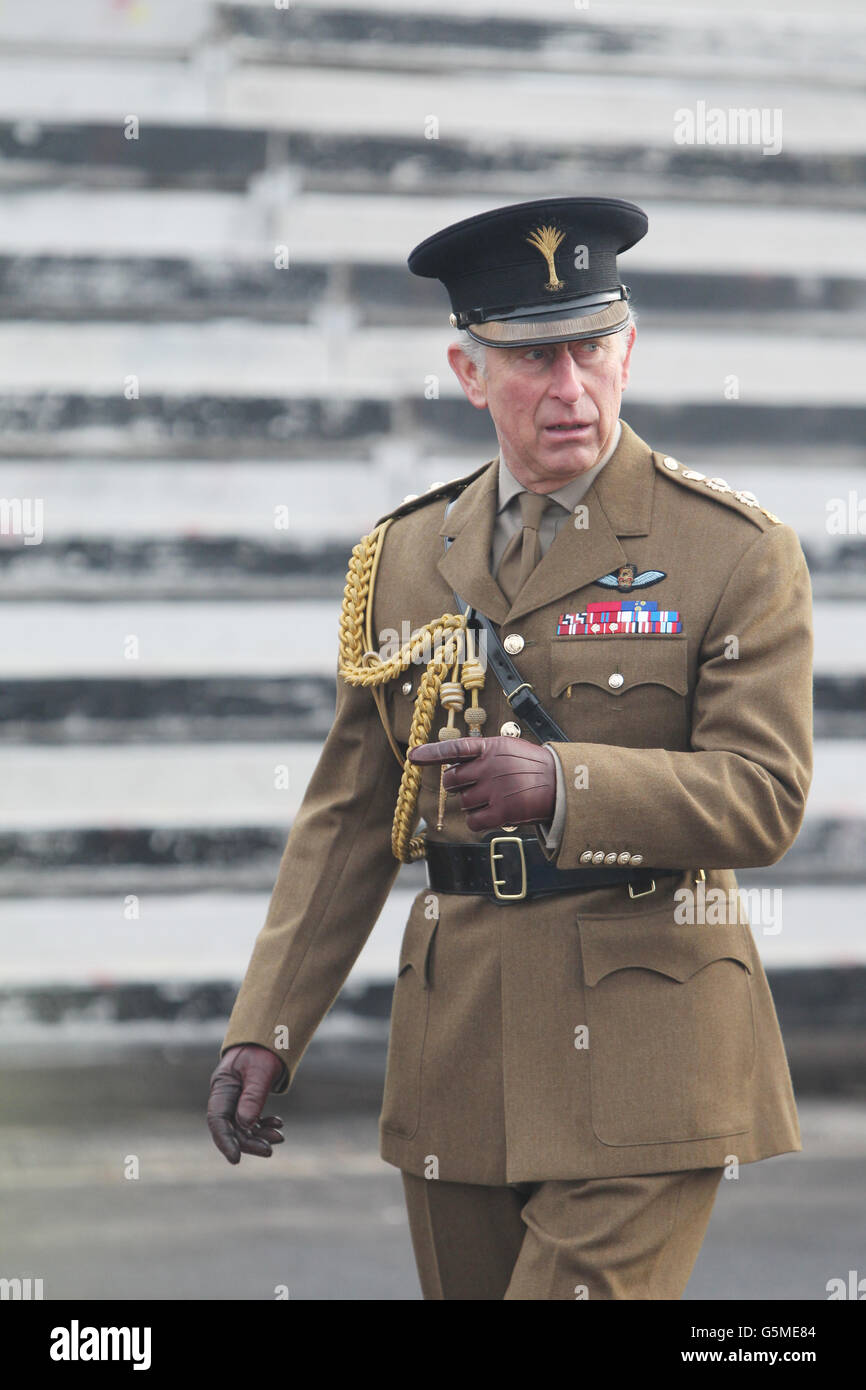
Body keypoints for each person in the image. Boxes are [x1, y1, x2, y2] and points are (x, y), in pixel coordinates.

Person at [207, 197, 813, 1300]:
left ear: (628, 347)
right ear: (467, 370)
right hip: (459, 1057)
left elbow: (762, 796)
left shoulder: (731, 551)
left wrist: (560, 782)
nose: (567, 388)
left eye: (588, 348)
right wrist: (268, 1024)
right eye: (530, 358)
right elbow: (349, 815)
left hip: (649, 1049)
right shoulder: (400, 558)